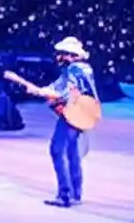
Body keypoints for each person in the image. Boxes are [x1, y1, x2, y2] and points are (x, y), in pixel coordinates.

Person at [25, 37, 99, 208]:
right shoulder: (83, 69)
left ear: (70, 55)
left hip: (73, 114)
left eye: (62, 54)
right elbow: (58, 86)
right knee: (72, 152)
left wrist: (42, 93)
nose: (58, 58)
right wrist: (40, 91)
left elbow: (64, 92)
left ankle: (64, 195)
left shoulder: (74, 70)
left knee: (57, 150)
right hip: (81, 114)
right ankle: (75, 193)